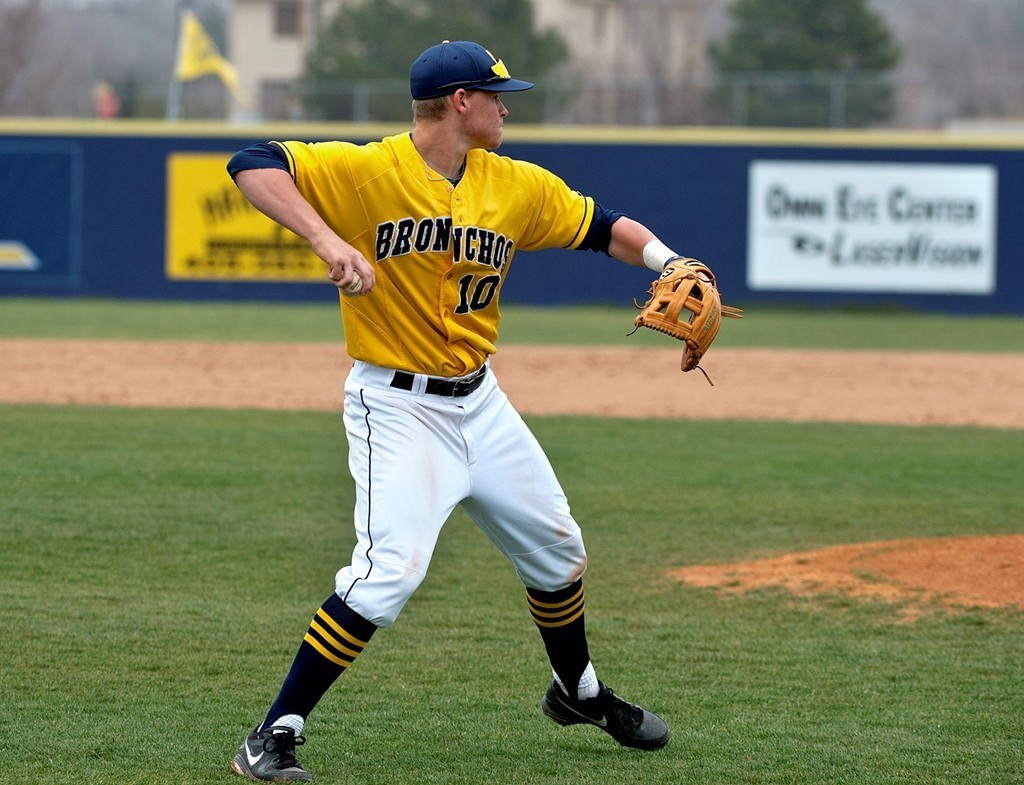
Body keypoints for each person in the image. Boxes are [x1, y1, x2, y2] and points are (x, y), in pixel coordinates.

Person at [227, 40, 689, 782]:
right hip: (396, 406)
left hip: (482, 401)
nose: (508, 107)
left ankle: (578, 691)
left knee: (560, 552)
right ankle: (271, 733)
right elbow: (251, 161)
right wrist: (324, 237)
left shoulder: (514, 185)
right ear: (460, 103)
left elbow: (605, 228)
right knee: (388, 575)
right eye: (497, 94)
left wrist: (670, 260)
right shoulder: (368, 170)